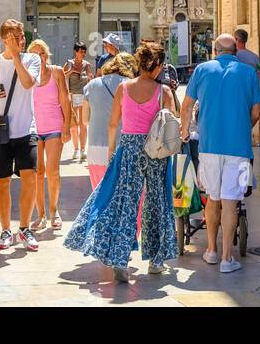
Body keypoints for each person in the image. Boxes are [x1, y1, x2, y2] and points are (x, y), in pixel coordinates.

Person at [65, 41, 179, 282]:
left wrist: (111, 152)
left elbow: (113, 123)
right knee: (157, 201)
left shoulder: (124, 89)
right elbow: (171, 122)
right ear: (157, 65)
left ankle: (120, 258)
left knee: (125, 203)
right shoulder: (164, 91)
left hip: (128, 147)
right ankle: (156, 261)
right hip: (154, 150)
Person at [180, 33, 260, 275]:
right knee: (231, 202)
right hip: (238, 149)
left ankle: (211, 251)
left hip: (209, 147)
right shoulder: (248, 73)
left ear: (214, 52)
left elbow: (185, 106)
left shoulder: (202, 70)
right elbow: (256, 112)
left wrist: (185, 131)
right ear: (235, 51)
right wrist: (244, 128)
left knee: (212, 199)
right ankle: (228, 258)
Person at [0, 19, 42, 253]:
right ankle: (5, 229)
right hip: (1, 131)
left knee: (30, 178)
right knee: (2, 182)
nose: (22, 41)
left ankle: (24, 228)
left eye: (23, 36)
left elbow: (27, 83)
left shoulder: (31, 59)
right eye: (16, 37)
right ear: (5, 39)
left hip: (27, 129)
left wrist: (16, 57)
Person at [27, 38, 72, 232]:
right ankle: (40, 215)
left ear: (47, 55)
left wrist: (67, 126)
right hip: (34, 127)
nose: (40, 57)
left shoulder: (57, 72)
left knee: (52, 172)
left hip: (54, 125)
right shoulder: (28, 75)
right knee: (38, 172)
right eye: (35, 54)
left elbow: (65, 98)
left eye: (42, 53)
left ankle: (54, 211)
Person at [82, 50, 136, 188]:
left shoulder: (91, 85)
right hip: (124, 147)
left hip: (96, 148)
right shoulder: (132, 86)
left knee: (99, 195)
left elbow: (84, 120)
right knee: (123, 196)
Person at [63, 42, 92, 161]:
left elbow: (90, 77)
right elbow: (62, 76)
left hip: (84, 95)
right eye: (81, 51)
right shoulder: (69, 63)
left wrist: (90, 77)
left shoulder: (87, 64)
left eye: (84, 51)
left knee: (83, 124)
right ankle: (75, 149)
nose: (83, 54)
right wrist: (72, 71)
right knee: (74, 125)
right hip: (72, 94)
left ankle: (83, 149)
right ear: (75, 51)